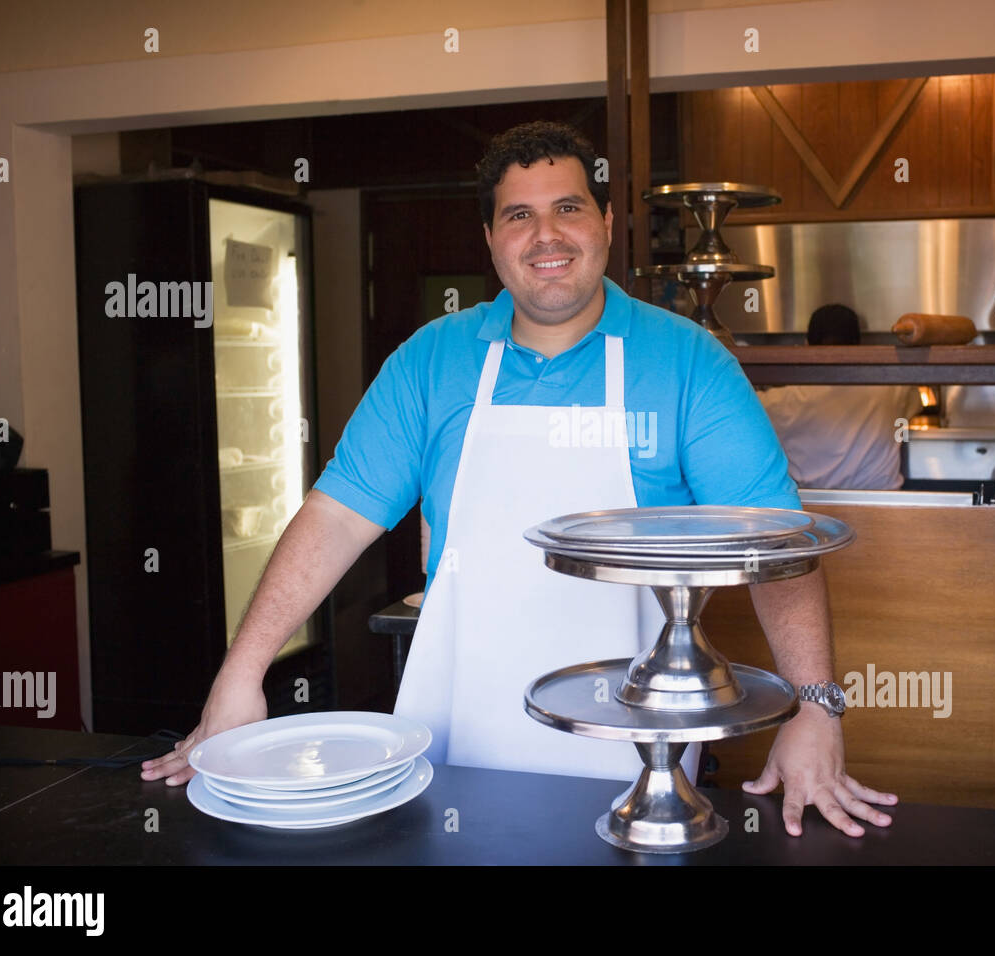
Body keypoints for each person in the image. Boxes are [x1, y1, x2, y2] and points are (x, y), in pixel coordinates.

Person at [142, 121, 896, 838]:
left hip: (636, 742)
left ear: (605, 222)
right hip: (454, 734)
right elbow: (337, 517)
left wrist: (815, 708)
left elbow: (773, 543)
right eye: (518, 216)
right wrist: (240, 674)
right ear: (491, 239)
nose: (546, 236)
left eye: (568, 208)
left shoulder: (688, 362)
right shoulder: (432, 360)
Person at [757, 305, 922, 490]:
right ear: (859, 346)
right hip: (880, 502)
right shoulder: (892, 389)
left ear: (806, 346)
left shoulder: (779, 400)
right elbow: (917, 402)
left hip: (810, 503)